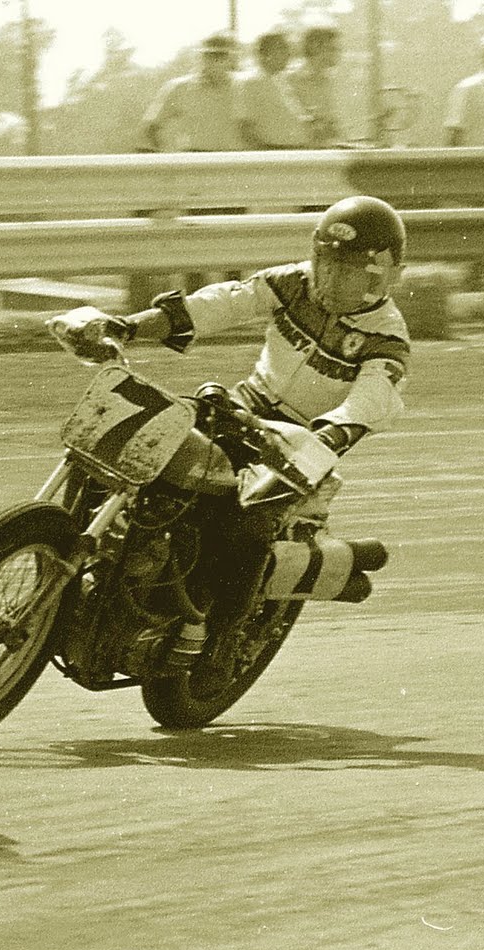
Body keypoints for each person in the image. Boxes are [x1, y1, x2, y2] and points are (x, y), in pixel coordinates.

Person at [47, 195, 410, 645]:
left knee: (242, 529)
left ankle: (218, 642)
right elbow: (223, 302)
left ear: (382, 277)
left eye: (350, 272)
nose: (333, 281)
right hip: (241, 407)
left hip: (302, 444)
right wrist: (127, 326)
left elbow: (372, 398)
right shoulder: (292, 283)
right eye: (327, 265)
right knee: (138, 441)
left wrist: (333, 432)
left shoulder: (387, 338)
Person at [141, 32, 243, 153]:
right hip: (193, 157)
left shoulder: (242, 87)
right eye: (209, 55)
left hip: (233, 158)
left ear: (231, 58)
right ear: (200, 57)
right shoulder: (179, 88)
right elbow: (151, 128)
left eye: (221, 55)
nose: (215, 60)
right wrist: (166, 157)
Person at [236, 31, 309, 150]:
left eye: (287, 50)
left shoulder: (285, 81)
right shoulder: (252, 84)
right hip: (272, 151)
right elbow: (245, 126)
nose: (288, 55)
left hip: (297, 149)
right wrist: (264, 153)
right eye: (282, 50)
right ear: (266, 55)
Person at [287, 26, 342, 147]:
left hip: (326, 148)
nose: (338, 54)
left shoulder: (329, 80)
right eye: (333, 49)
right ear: (315, 48)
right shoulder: (292, 79)